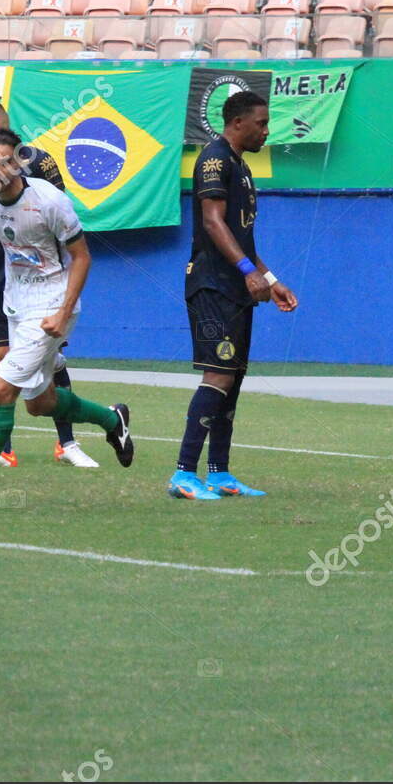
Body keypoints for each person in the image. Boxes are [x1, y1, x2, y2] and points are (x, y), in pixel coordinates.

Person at [0, 128, 134, 511]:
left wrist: (62, 312)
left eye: (5, 161)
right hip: (16, 302)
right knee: (39, 403)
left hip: (52, 302)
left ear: (19, 162)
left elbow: (83, 257)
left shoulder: (49, 201)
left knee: (0, 390)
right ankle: (112, 421)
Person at [169, 91, 297, 501]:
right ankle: (183, 474)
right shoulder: (214, 158)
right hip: (213, 285)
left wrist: (269, 277)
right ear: (237, 122)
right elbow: (212, 221)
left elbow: (243, 237)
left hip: (238, 287)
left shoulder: (240, 166)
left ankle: (219, 472)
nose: (266, 130)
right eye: (261, 123)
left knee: (234, 378)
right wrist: (246, 272)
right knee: (218, 375)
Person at [0, 99, 98, 468]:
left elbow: (61, 222)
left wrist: (61, 294)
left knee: (51, 363)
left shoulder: (39, 163)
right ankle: (3, 449)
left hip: (41, 283)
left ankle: (67, 442)